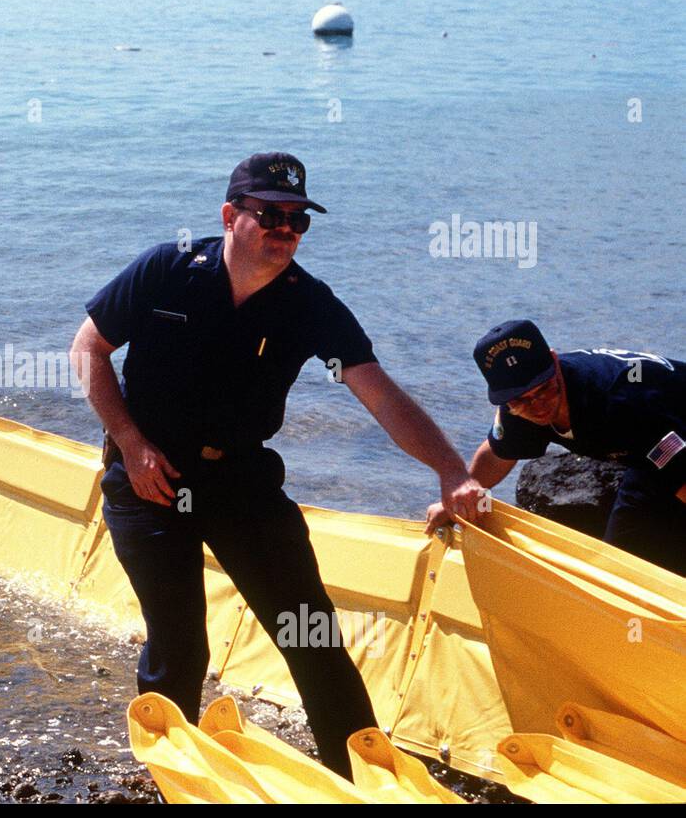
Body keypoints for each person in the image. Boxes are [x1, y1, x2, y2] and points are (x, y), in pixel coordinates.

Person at [70, 152, 482, 779]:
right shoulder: (168, 270)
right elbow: (88, 348)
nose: (285, 229)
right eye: (271, 215)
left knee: (310, 634)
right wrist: (129, 441)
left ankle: (362, 778)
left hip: (241, 482)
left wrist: (452, 470)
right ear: (230, 215)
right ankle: (174, 777)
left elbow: (379, 395)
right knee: (179, 644)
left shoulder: (308, 303)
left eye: (298, 220)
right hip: (150, 479)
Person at [427, 319, 686, 576]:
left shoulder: (622, 401)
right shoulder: (517, 405)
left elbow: (679, 472)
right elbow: (498, 455)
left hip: (672, 431)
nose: (537, 405)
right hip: (645, 456)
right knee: (620, 566)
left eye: (544, 390)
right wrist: (458, 499)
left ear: (554, 361)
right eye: (520, 400)